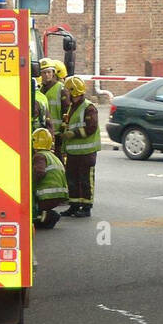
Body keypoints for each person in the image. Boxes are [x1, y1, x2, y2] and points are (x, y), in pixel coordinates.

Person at [60, 75, 99, 217]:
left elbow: (91, 127)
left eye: (68, 92)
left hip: (86, 152)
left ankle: (87, 207)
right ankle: (74, 205)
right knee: (72, 179)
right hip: (73, 152)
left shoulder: (89, 108)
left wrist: (73, 133)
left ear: (73, 92)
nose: (66, 95)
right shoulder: (72, 107)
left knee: (85, 180)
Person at [31, 127, 68, 229]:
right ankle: (46, 215)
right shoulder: (52, 156)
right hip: (58, 193)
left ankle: (48, 216)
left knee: (31, 211)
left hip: (47, 195)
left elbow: (39, 172)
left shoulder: (39, 156)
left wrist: (29, 186)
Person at [38, 58, 69, 151]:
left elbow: (67, 110)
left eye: (49, 72)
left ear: (53, 73)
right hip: (43, 131)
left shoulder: (61, 88)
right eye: (44, 73)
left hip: (57, 132)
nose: (47, 75)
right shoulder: (40, 90)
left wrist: (63, 129)